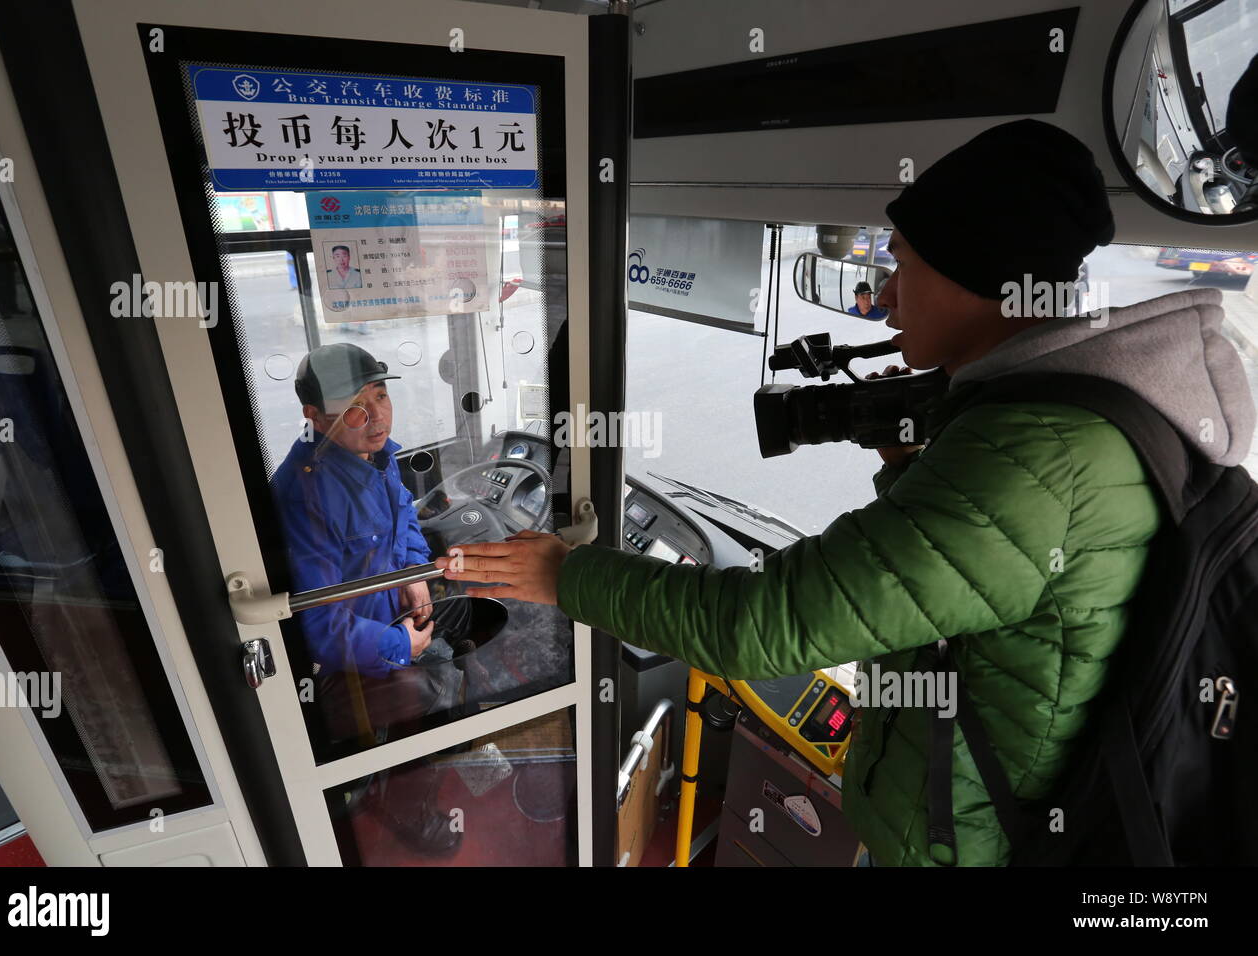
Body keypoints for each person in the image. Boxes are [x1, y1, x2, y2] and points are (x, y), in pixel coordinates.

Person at [434, 119, 1256, 866]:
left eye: (902, 259)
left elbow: (755, 626)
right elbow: (969, 595)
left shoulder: (1028, 458)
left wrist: (562, 577)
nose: (886, 292)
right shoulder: (1071, 420)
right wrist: (909, 466)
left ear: (977, 273)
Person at [270, 342, 475, 856]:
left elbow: (403, 516)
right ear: (313, 417)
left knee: (464, 642)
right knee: (429, 691)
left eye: (381, 396)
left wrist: (413, 574)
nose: (376, 416)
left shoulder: (380, 455)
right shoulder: (305, 494)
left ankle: (430, 740)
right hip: (337, 666)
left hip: (390, 614)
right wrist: (398, 647)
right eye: (356, 408)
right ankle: (404, 806)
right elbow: (318, 626)